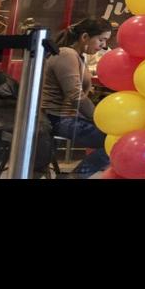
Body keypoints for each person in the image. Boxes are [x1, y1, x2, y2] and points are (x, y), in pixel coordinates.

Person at [41, 17, 114, 178]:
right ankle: (76, 176)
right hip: (59, 118)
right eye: (101, 40)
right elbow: (75, 95)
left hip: (65, 117)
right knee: (115, 142)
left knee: (116, 138)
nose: (103, 46)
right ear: (85, 37)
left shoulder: (77, 56)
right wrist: (99, 119)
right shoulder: (67, 54)